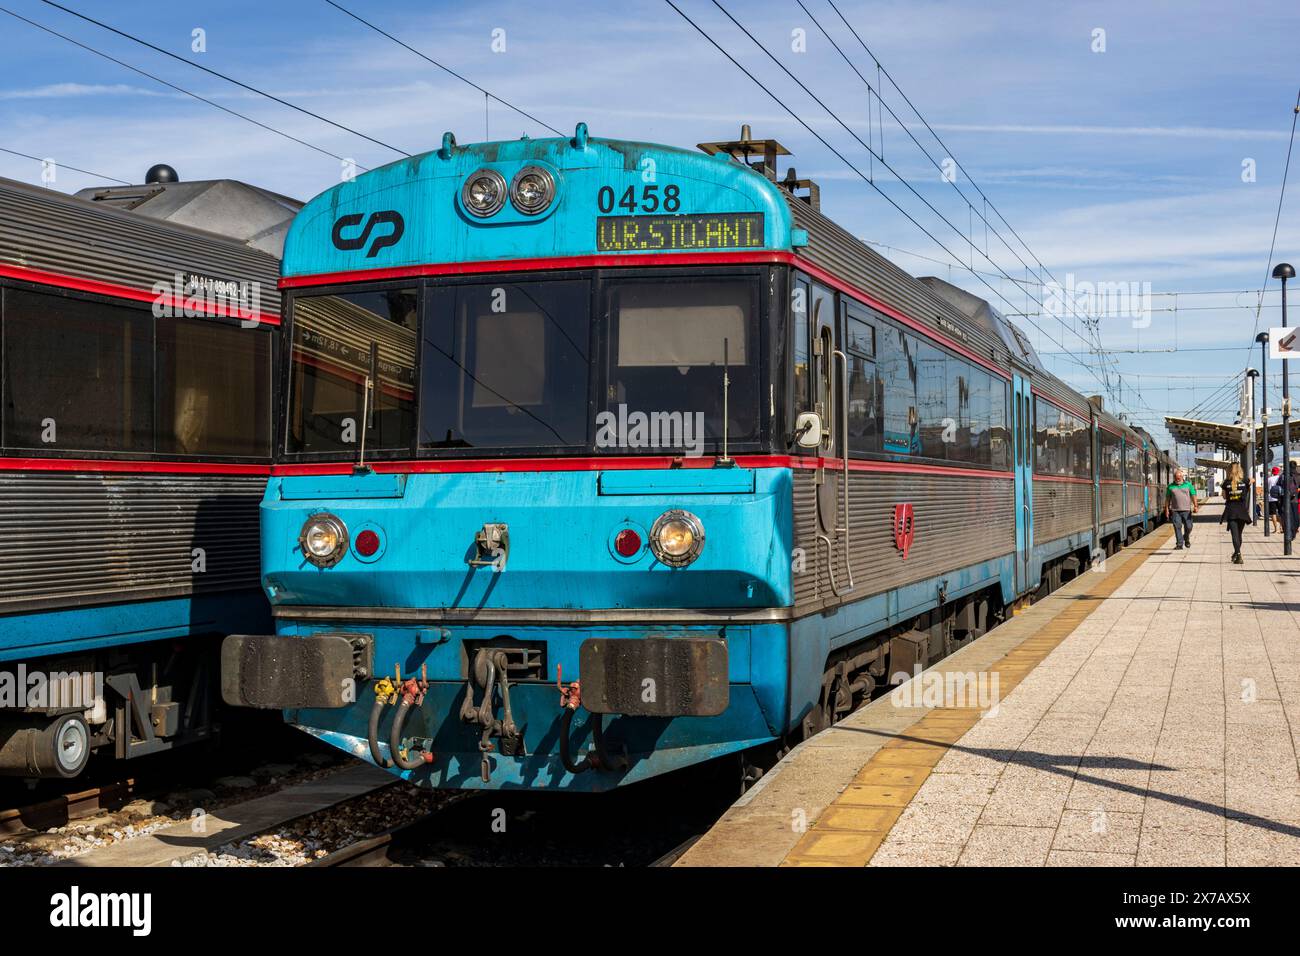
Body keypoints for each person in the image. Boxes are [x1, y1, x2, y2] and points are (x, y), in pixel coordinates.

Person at [1220, 462, 1252, 564]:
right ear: (1240, 470)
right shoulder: (1245, 481)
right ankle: (1236, 553)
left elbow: (1224, 496)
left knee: (1234, 535)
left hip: (1231, 511)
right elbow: (1252, 481)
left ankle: (1238, 555)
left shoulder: (1225, 483)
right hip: (1242, 511)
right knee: (1239, 534)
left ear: (1229, 471)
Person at [1165, 467, 1198, 550]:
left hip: (1186, 510)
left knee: (1189, 526)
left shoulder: (1188, 485)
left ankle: (1186, 538)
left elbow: (1193, 495)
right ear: (1174, 478)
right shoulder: (1170, 487)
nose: (1178, 479)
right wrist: (1167, 509)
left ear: (1182, 477)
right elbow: (1167, 499)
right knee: (1177, 527)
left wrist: (1195, 506)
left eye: (1179, 478)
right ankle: (1179, 544)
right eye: (1176, 478)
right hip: (1175, 511)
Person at [1268, 465, 1284, 532]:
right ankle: (1281, 528)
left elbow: (1267, 489)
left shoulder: (1269, 479)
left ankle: (1275, 529)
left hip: (1271, 498)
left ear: (1272, 472)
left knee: (1273, 513)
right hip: (1279, 497)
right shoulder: (1280, 478)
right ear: (1278, 471)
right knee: (1281, 513)